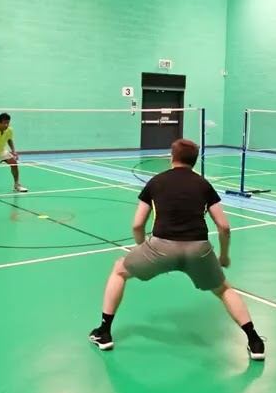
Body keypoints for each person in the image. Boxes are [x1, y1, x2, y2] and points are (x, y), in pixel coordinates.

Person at [88, 139, 265, 361]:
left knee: (118, 270)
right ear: (195, 160)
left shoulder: (155, 182)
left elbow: (137, 224)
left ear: (172, 158)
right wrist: (224, 255)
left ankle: (104, 332)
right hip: (198, 249)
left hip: (160, 247)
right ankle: (255, 341)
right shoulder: (204, 184)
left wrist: (143, 249)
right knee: (224, 290)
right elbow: (224, 226)